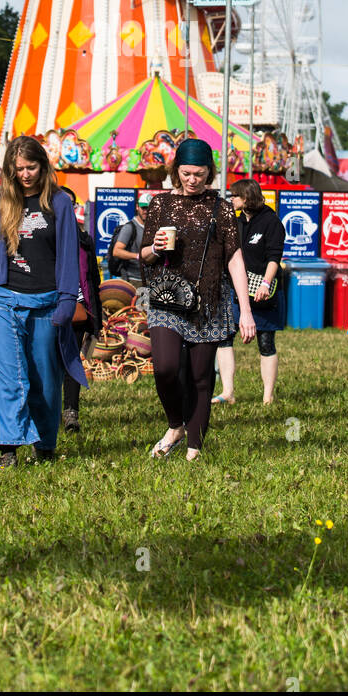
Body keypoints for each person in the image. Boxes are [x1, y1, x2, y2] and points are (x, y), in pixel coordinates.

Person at [0, 136, 87, 470]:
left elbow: (67, 257)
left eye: (31, 167)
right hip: (3, 302)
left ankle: (45, 444)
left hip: (47, 304)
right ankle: (8, 448)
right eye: (18, 169)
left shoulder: (60, 203)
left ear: (43, 166)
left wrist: (66, 302)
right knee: (4, 376)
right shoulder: (0, 204)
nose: (25, 174)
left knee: (45, 379)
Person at [139, 139, 255, 461]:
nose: (193, 180)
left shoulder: (222, 207)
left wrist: (245, 311)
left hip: (208, 302)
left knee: (201, 377)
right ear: (176, 171)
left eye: (200, 175)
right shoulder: (160, 204)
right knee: (165, 368)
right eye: (187, 173)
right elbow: (144, 254)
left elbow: (234, 258)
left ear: (210, 173)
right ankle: (175, 425)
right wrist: (157, 248)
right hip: (167, 298)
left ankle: (194, 450)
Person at [214, 179, 286, 405]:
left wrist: (266, 283)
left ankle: (267, 395)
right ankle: (228, 392)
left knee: (265, 342)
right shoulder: (236, 222)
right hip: (236, 290)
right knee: (225, 338)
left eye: (234, 196)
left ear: (245, 198)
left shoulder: (271, 222)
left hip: (264, 290)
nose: (231, 199)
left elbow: (275, 257)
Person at [58, 185, 104, 433]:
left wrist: (97, 316)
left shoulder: (84, 239)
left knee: (71, 361)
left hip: (76, 309)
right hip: (46, 308)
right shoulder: (42, 235)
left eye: (69, 203)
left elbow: (93, 279)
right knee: (46, 362)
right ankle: (48, 411)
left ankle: (70, 414)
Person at [112, 192, 154, 286]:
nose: (146, 211)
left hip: (149, 279)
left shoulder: (152, 228)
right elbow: (116, 251)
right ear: (137, 207)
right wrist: (138, 256)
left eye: (149, 208)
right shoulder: (130, 228)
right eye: (143, 208)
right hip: (133, 279)